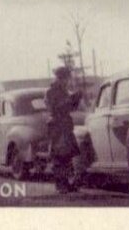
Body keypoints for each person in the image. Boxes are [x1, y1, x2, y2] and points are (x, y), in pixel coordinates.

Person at [45, 66, 83, 194]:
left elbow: (70, 108)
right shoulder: (50, 92)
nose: (67, 81)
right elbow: (54, 108)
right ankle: (60, 184)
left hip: (65, 125)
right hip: (57, 126)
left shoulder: (63, 90)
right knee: (58, 156)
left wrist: (76, 99)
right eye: (66, 78)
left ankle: (66, 183)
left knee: (67, 155)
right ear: (60, 78)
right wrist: (70, 100)